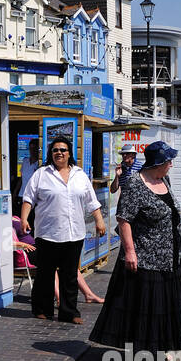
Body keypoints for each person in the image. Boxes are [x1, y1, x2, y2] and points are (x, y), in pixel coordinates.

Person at [89, 140, 181, 359]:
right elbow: (123, 219)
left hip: (169, 255)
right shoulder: (134, 183)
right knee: (148, 306)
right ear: (157, 162)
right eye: (168, 160)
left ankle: (163, 344)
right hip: (146, 255)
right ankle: (145, 350)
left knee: (168, 303)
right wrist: (130, 251)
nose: (171, 164)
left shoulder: (164, 180)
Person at [19, 135, 106, 323]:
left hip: (74, 233)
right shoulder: (42, 174)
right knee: (45, 274)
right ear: (51, 153)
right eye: (55, 150)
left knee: (70, 275)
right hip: (48, 233)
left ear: (69, 153)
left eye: (63, 150)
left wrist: (99, 221)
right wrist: (24, 219)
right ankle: (42, 309)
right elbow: (28, 199)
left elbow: (92, 201)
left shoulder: (80, 175)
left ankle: (69, 313)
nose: (59, 153)